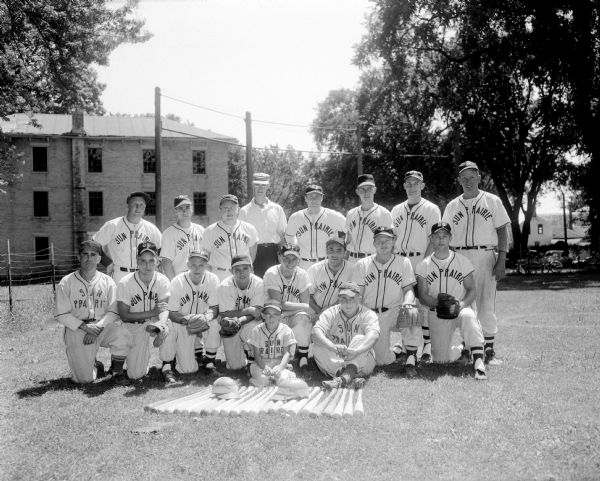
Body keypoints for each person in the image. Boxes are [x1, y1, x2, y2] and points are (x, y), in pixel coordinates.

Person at [442, 161, 510, 365]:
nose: (468, 181)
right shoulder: (453, 205)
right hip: (459, 257)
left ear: (479, 177)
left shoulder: (492, 200)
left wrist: (502, 259)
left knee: (486, 302)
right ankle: (467, 347)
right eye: (464, 178)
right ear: (459, 180)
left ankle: (488, 350)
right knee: (463, 304)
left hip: (485, 255)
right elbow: (445, 233)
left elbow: (502, 231)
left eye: (472, 177)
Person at [415, 222, 487, 380]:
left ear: (450, 238)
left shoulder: (462, 261)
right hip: (437, 312)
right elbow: (422, 295)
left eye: (444, 236)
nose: (441, 239)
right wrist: (440, 305)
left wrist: (460, 305)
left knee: (469, 315)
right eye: (437, 236)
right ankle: (463, 348)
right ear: (431, 239)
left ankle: (478, 360)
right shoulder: (423, 265)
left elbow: (471, 290)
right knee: (441, 360)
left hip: (459, 310)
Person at [54, 240, 132, 384]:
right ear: (79, 257)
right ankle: (95, 365)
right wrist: (85, 327)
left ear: (99, 259)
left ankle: (117, 371)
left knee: (123, 334)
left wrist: (98, 327)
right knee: (84, 380)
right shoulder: (67, 282)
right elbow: (62, 314)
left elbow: (114, 311)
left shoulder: (108, 281)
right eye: (85, 254)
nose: (89, 258)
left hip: (102, 326)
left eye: (93, 254)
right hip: (77, 329)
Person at [353, 228, 421, 377]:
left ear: (394, 242)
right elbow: (359, 293)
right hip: (371, 313)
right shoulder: (362, 264)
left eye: (387, 240)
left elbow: (409, 289)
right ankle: (397, 352)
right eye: (379, 241)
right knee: (382, 361)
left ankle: (411, 358)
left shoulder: (403, 262)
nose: (383, 244)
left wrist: (408, 303)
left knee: (412, 312)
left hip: (394, 310)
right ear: (374, 243)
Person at [390, 170, 441, 363]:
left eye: (415, 183)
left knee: (424, 304)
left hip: (421, 258)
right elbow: (392, 238)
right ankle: (406, 345)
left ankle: (427, 345)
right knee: (404, 302)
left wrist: (425, 264)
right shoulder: (396, 210)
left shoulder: (431, 208)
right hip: (401, 260)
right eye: (408, 183)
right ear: (404, 186)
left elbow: (434, 238)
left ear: (422, 185)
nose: (412, 186)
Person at [116, 241, 172, 382]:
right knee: (136, 375)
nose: (147, 266)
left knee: (169, 325)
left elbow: (163, 308)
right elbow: (124, 315)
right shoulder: (125, 282)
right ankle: (139, 360)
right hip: (133, 325)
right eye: (143, 261)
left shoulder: (163, 280)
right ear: (137, 261)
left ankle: (167, 367)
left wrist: (161, 324)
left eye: (151, 261)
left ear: (157, 262)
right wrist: (152, 313)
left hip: (155, 321)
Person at [165, 249, 220, 381]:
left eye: (201, 265)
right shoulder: (177, 282)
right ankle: (169, 363)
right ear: (188, 264)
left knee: (214, 323)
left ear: (206, 266)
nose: (197, 268)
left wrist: (207, 318)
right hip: (182, 322)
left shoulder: (212, 279)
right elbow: (171, 313)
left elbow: (215, 308)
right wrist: (187, 320)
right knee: (188, 370)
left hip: (204, 320)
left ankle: (209, 363)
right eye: (194, 264)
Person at [312, 282, 379, 389]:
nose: (347, 303)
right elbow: (315, 333)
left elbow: (374, 335)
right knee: (317, 346)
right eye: (343, 298)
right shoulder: (331, 312)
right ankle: (349, 378)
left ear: (359, 299)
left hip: (362, 360)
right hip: (337, 359)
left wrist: (356, 351)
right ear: (338, 299)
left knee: (360, 338)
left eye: (351, 298)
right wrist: (332, 346)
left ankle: (341, 379)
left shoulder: (368, 313)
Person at [262, 243, 314, 378]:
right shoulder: (272, 273)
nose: (290, 262)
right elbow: (278, 303)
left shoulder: (302, 274)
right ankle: (283, 360)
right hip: (272, 316)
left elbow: (304, 305)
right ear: (279, 257)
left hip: (290, 315)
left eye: (294, 258)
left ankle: (303, 360)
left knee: (303, 318)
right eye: (286, 258)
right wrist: (302, 307)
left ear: (299, 259)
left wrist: (289, 312)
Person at [93, 191, 162, 283]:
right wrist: (107, 263)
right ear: (128, 206)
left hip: (143, 274)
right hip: (119, 274)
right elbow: (92, 245)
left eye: (141, 204)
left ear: (145, 207)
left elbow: (162, 250)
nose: (138, 207)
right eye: (135, 204)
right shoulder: (113, 225)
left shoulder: (151, 229)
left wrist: (156, 264)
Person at [217, 254, 265, 370]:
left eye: (245, 269)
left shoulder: (259, 283)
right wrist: (248, 310)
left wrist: (239, 321)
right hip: (229, 323)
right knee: (235, 367)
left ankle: (253, 358)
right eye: (237, 270)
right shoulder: (225, 286)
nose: (241, 273)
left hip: (249, 322)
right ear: (231, 271)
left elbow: (257, 313)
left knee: (255, 328)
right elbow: (226, 313)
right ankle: (242, 352)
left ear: (251, 269)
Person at [285, 184, 346, 270]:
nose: (314, 200)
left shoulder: (334, 216)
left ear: (322, 198)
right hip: (303, 264)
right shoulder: (295, 217)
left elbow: (348, 233)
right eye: (310, 196)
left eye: (317, 196)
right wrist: (295, 250)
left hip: (326, 263)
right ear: (305, 198)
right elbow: (289, 236)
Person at [238, 172, 287, 277]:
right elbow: (240, 238)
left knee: (274, 285)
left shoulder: (277, 209)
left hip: (273, 253)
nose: (260, 189)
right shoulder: (244, 211)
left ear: (267, 186)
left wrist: (283, 256)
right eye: (257, 185)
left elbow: (283, 235)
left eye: (263, 185)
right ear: (253, 185)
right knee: (256, 287)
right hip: (253, 254)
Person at [202, 194, 259, 282]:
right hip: (220, 275)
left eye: (232, 208)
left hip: (243, 274)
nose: (229, 211)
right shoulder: (209, 231)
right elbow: (205, 259)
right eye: (225, 208)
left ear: (238, 210)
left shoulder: (249, 229)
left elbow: (252, 254)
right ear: (220, 210)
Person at [246, 299, 297, 387]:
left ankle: (285, 375)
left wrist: (281, 367)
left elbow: (287, 353)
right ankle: (256, 380)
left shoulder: (286, 330)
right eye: (268, 314)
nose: (271, 317)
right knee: (264, 380)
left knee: (283, 380)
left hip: (279, 363)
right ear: (263, 315)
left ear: (280, 317)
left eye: (275, 315)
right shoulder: (256, 330)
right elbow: (257, 355)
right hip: (260, 364)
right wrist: (264, 367)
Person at [345, 174, 393, 263]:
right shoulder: (351, 213)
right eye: (362, 189)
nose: (366, 193)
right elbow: (348, 241)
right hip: (352, 260)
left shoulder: (384, 214)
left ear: (374, 190)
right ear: (357, 191)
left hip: (372, 261)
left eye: (369, 189)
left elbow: (389, 244)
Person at [306, 234, 355, 316]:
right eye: (331, 250)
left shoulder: (353, 270)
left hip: (340, 314)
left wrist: (330, 310)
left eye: (339, 250)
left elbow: (352, 295)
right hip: (315, 313)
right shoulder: (314, 269)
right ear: (326, 251)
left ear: (345, 252)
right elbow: (306, 295)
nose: (334, 254)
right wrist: (318, 310)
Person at [161, 194, 205, 280]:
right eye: (181, 208)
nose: (185, 211)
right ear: (175, 211)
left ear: (192, 209)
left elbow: (207, 257)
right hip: (180, 278)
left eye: (187, 207)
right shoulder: (169, 233)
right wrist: (174, 283)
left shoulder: (200, 230)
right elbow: (166, 263)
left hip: (199, 278)